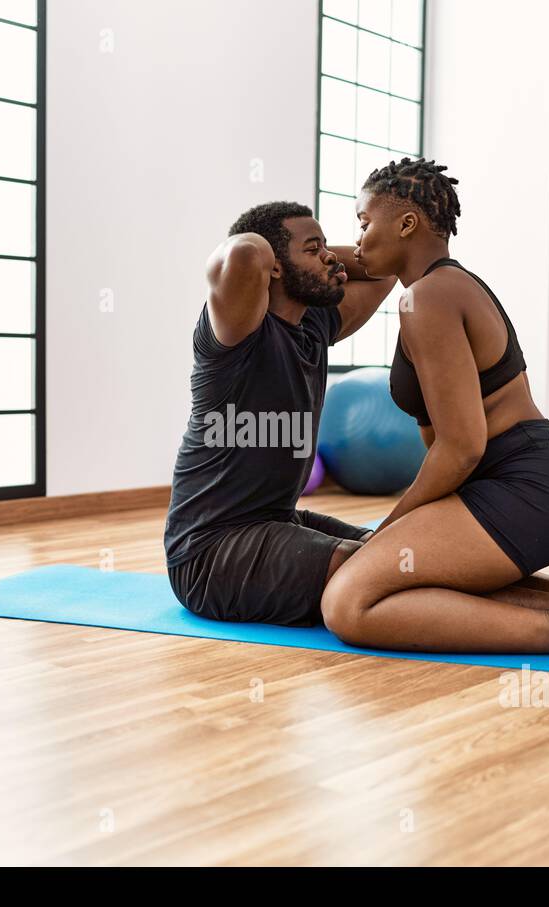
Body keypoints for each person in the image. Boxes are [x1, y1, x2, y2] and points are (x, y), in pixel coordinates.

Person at [319, 158, 549, 654]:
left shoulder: (428, 298)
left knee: (348, 603)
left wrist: (385, 531)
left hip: (533, 487)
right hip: (527, 482)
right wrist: (302, 256)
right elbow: (359, 263)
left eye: (364, 223)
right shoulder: (441, 288)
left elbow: (461, 448)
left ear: (407, 224)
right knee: (405, 575)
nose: (358, 239)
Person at [163, 201, 398, 626]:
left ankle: (534, 595)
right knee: (370, 569)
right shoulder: (236, 331)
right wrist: (282, 251)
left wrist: (311, 253)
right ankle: (532, 624)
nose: (331, 258)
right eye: (313, 249)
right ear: (273, 265)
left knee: (396, 548)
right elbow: (245, 252)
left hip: (278, 521)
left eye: (327, 246)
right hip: (210, 553)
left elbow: (384, 267)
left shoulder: (315, 327)